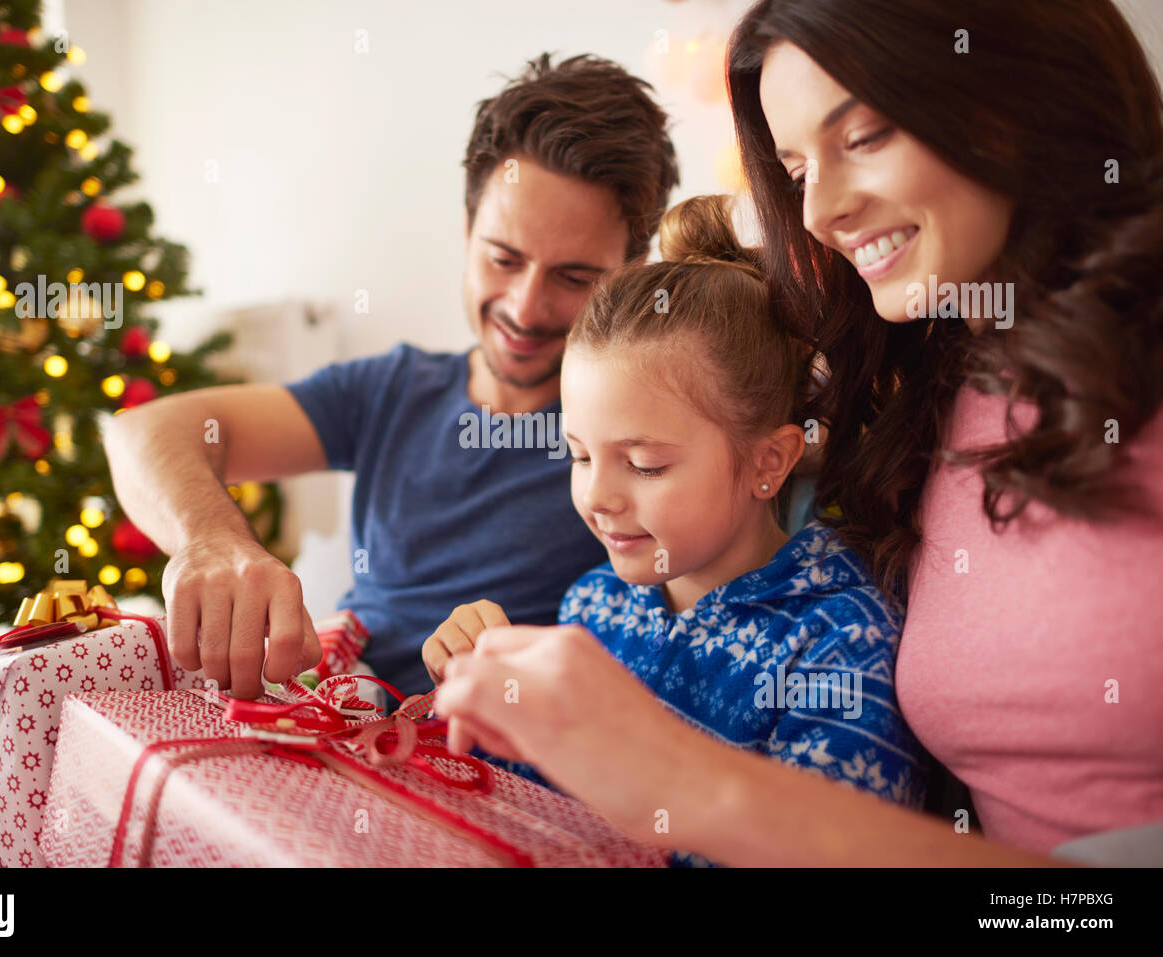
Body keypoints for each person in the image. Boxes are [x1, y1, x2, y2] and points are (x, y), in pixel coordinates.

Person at [434, 0, 1163, 866]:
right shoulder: (935, 382)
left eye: (865, 137)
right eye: (792, 167)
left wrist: (672, 776)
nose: (819, 210)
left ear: (1019, 98)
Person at [104, 54, 679, 699]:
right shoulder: (391, 390)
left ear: (632, 273)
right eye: (503, 258)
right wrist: (209, 539)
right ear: (467, 233)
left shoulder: (644, 441)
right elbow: (144, 432)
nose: (524, 308)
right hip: (324, 712)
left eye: (574, 278)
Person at [423, 197, 926, 836]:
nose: (597, 497)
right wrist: (474, 696)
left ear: (769, 458)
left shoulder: (839, 641)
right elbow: (530, 812)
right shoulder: (592, 610)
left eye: (645, 465)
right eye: (580, 455)